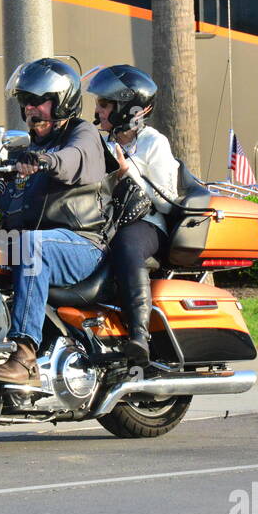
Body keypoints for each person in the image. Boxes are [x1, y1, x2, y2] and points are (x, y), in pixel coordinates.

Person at [0, 58, 110, 385]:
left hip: (83, 246)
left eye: (38, 101)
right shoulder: (30, 147)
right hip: (39, 244)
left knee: (31, 246)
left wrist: (47, 161)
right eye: (25, 102)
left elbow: (72, 161)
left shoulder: (83, 135)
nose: (30, 109)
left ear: (62, 101)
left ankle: (26, 357)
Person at [86, 64, 179, 364]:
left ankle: (140, 336)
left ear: (128, 109)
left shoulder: (155, 142)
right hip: (106, 221)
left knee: (126, 247)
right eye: (98, 103)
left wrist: (128, 173)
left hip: (147, 223)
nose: (98, 110)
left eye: (104, 104)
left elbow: (166, 201)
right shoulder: (102, 142)